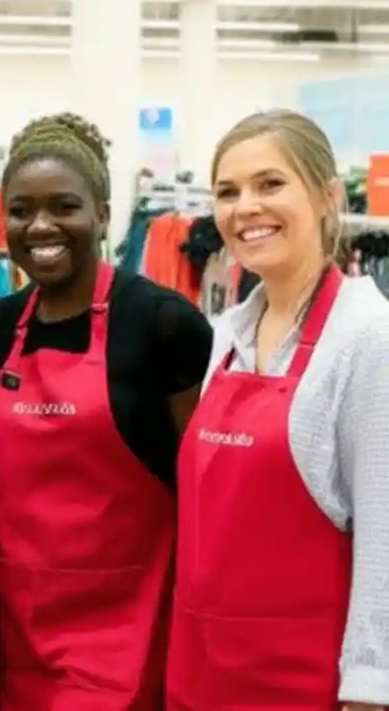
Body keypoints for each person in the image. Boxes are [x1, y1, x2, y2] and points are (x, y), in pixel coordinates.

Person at [0, 113, 212, 710]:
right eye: (21, 210)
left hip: (128, 625)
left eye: (64, 207)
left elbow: (203, 485)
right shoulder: (0, 325)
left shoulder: (163, 324)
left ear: (103, 215)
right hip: (20, 620)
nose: (41, 226)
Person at [167, 110, 389, 711]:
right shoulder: (225, 336)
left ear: (326, 196)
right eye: (227, 192)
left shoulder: (369, 338)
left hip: (305, 683)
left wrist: (371, 689)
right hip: (201, 670)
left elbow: (384, 534)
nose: (246, 208)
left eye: (270, 184)